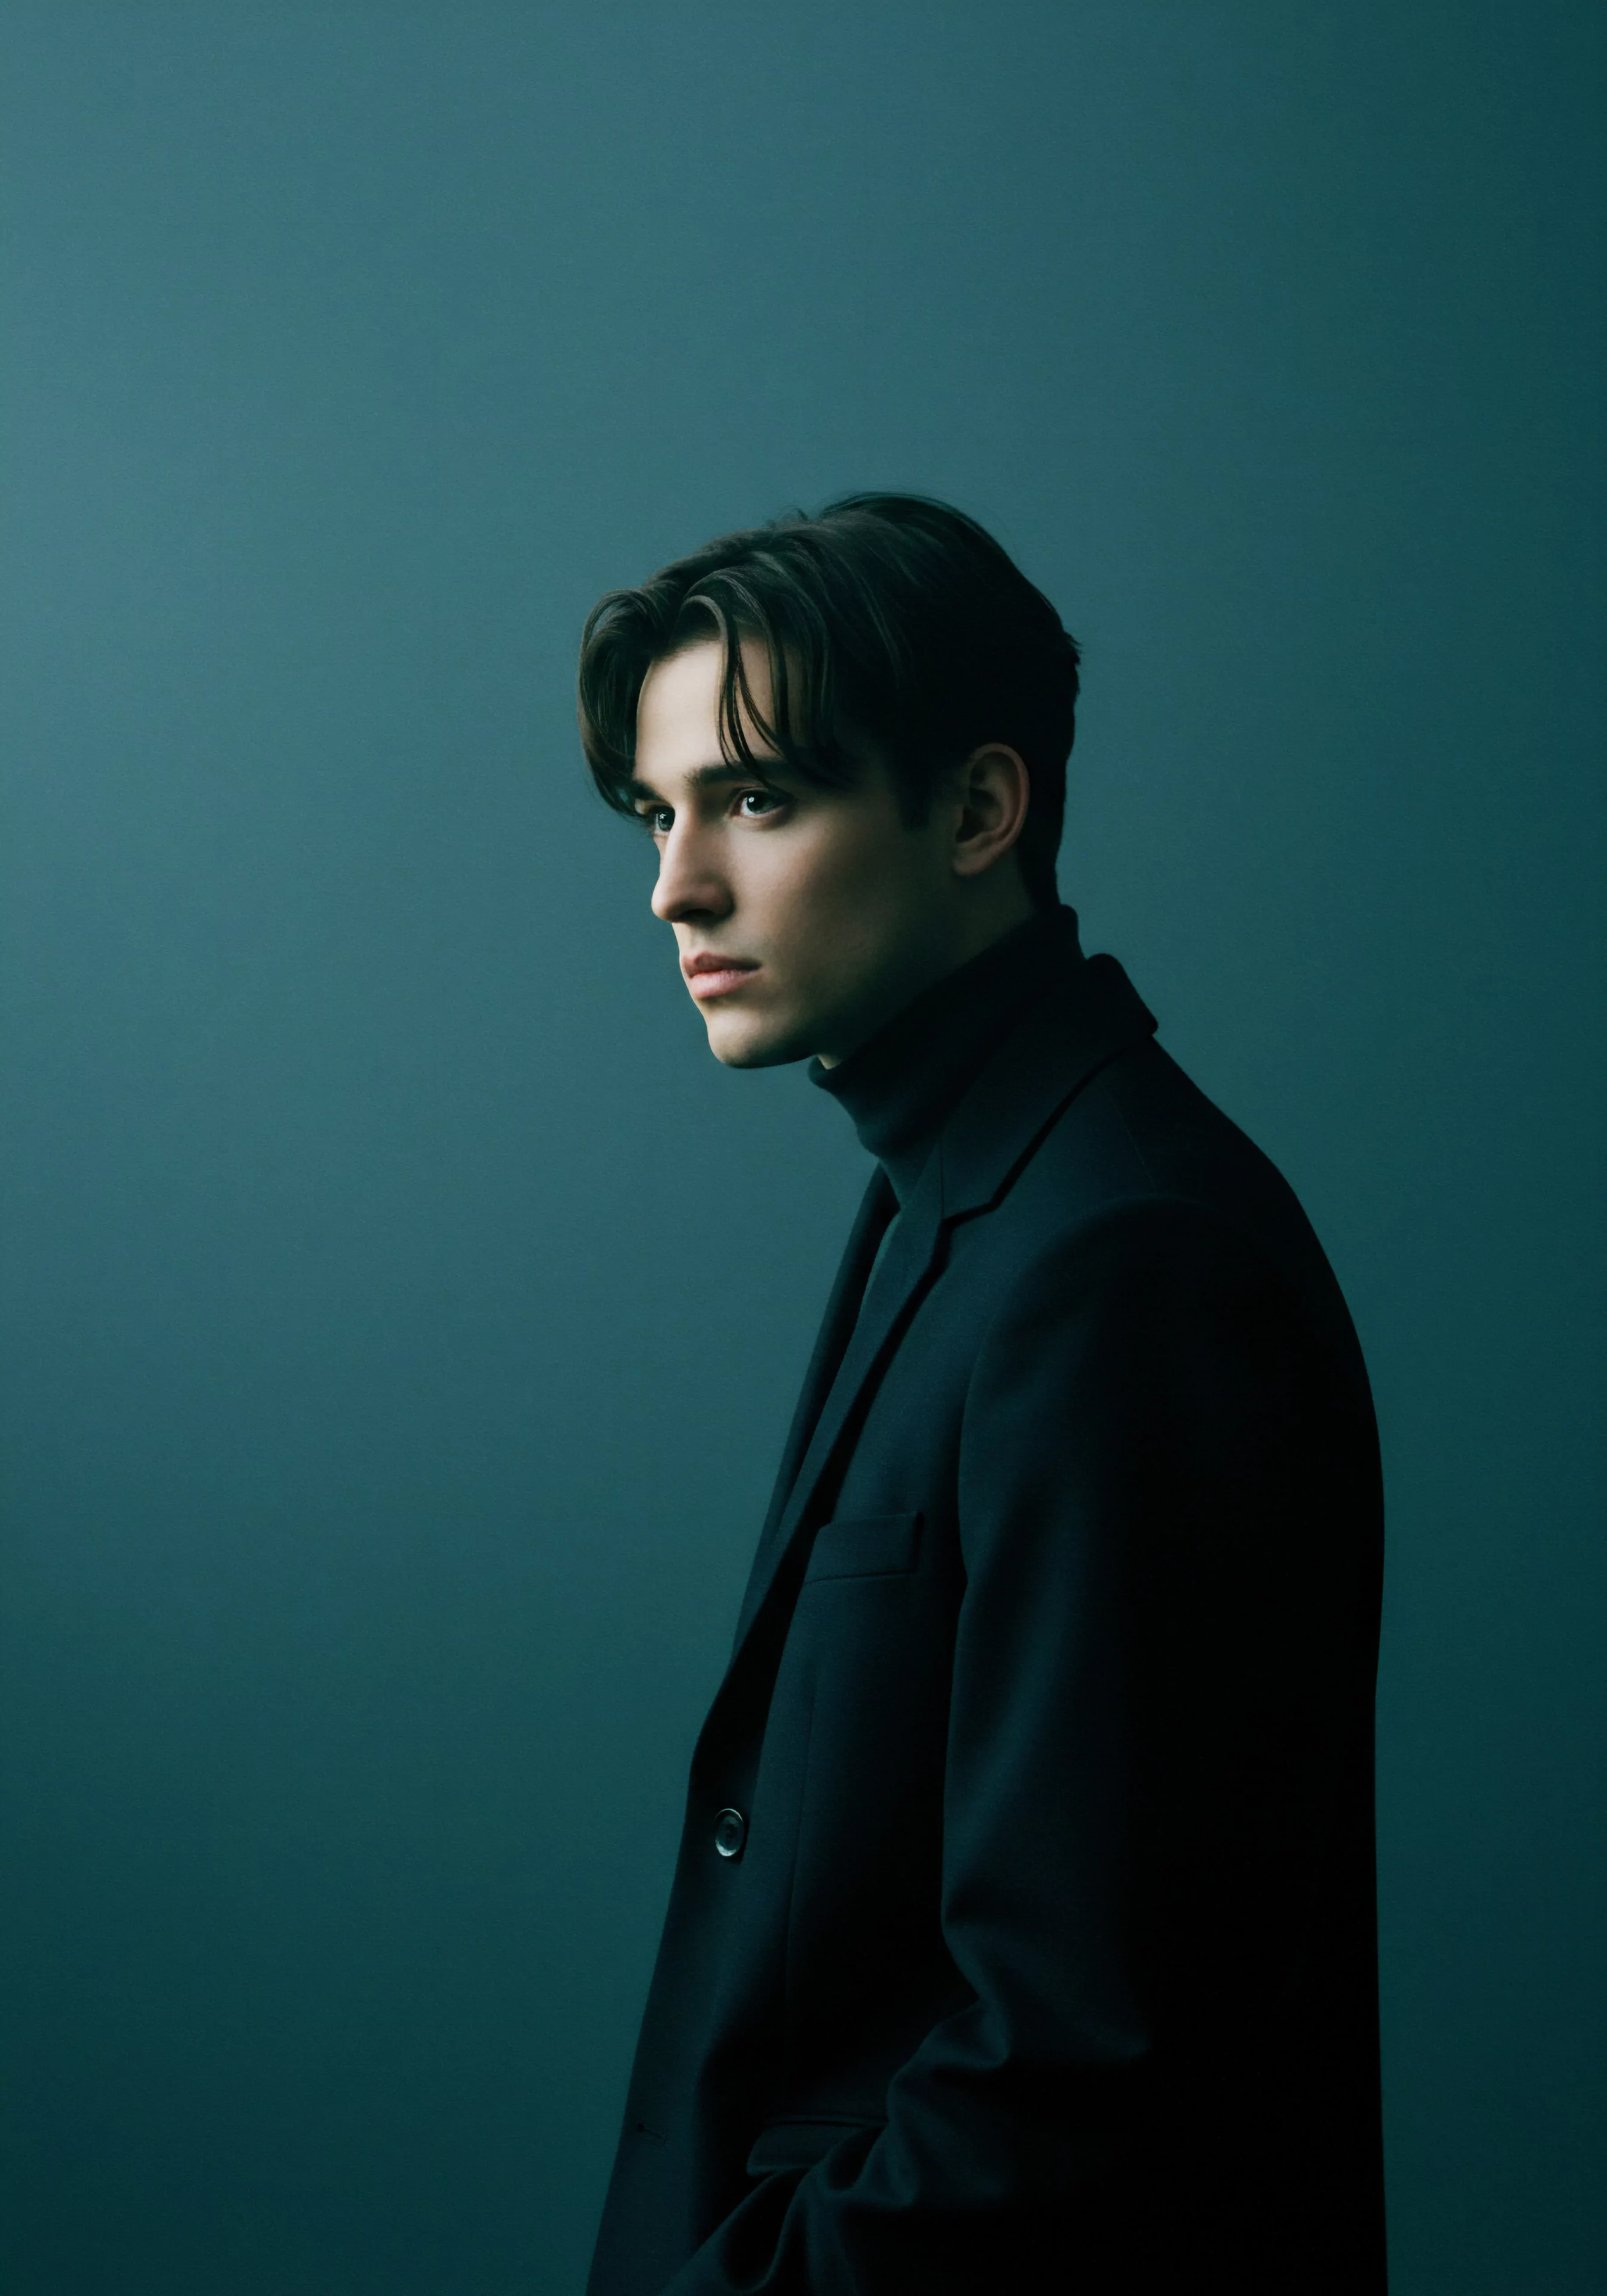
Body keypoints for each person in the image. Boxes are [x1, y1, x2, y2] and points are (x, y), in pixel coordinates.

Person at [576, 494, 1386, 2294]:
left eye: (758, 801)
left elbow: (1088, 2064)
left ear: (978, 809)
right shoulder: (963, 1190)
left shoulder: (1125, 1265)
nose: (676, 885)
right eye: (659, 811)